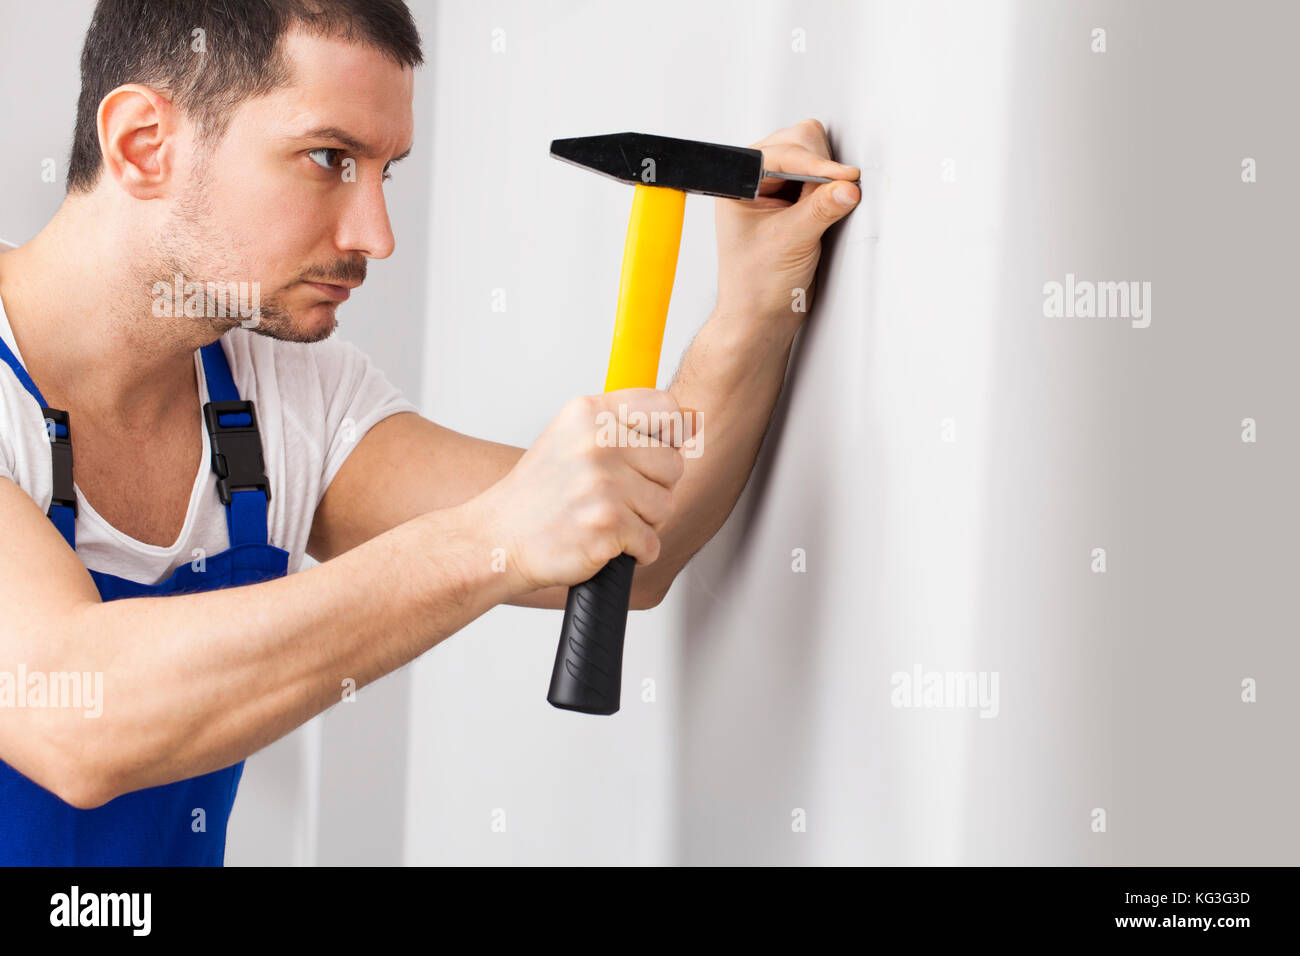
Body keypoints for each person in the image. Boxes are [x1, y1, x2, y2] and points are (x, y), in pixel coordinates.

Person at [0, 0, 860, 865]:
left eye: (385, 172)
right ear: (146, 144)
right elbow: (77, 715)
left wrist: (752, 308)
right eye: (329, 158)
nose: (376, 235)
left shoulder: (282, 394)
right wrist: (490, 534)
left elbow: (625, 546)